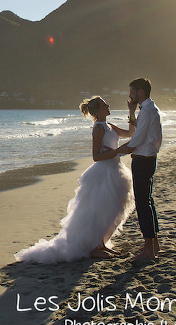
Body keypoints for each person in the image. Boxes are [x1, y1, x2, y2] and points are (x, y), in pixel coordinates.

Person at [14, 96, 134, 263]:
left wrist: (131, 111)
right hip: (103, 172)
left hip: (115, 170)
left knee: (112, 209)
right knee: (101, 210)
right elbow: (96, 156)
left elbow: (130, 133)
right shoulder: (98, 128)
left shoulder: (109, 125)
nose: (108, 105)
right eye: (105, 104)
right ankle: (95, 248)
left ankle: (102, 244)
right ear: (98, 110)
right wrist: (117, 151)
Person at [115, 78, 163, 263]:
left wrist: (117, 151)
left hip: (143, 160)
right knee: (148, 201)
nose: (130, 95)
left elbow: (137, 139)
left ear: (141, 92)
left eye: (132, 92)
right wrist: (131, 112)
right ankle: (154, 244)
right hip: (147, 159)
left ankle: (149, 251)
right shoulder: (148, 109)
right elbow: (137, 131)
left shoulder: (149, 111)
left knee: (143, 204)